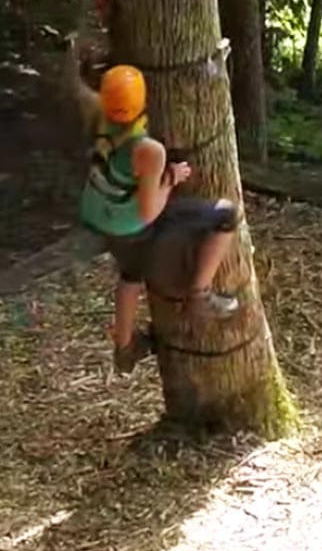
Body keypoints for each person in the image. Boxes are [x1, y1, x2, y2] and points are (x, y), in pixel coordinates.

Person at [64, 38, 241, 374]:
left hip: (97, 213)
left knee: (131, 274)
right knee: (226, 215)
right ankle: (200, 294)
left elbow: (76, 90)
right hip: (131, 224)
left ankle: (125, 347)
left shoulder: (97, 111)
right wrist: (171, 178)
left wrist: (74, 61)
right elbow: (149, 211)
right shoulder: (148, 151)